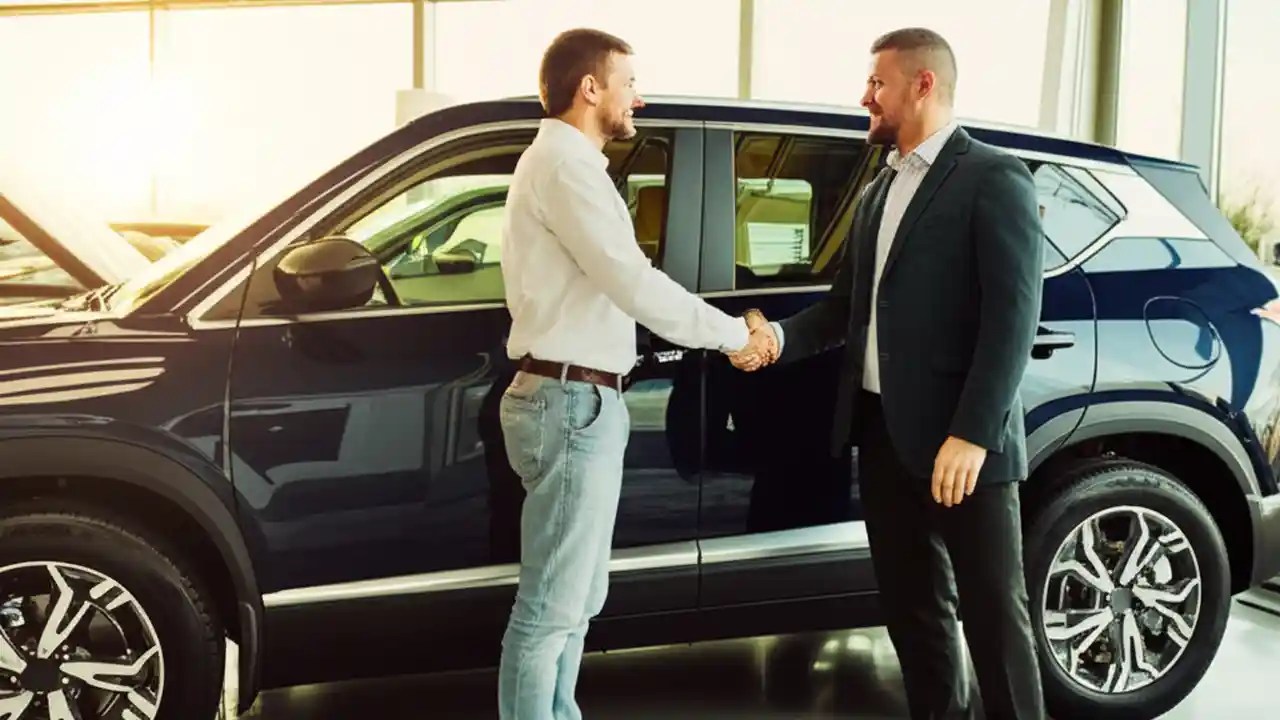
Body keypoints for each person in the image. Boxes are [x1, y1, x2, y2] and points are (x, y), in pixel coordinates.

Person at [739, 27, 1047, 720]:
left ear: (923, 84)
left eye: (877, 82)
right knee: (914, 614)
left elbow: (1013, 318)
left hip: (963, 448)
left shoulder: (993, 176)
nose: (865, 97)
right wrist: (773, 340)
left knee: (994, 619)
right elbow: (844, 309)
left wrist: (973, 434)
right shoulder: (879, 189)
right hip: (882, 436)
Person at [496, 27, 771, 720]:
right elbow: (634, 283)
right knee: (551, 607)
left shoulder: (569, 165)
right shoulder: (565, 167)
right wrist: (734, 337)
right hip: (570, 401)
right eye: (629, 83)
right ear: (590, 88)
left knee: (576, 601)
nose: (638, 99)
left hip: (578, 397)